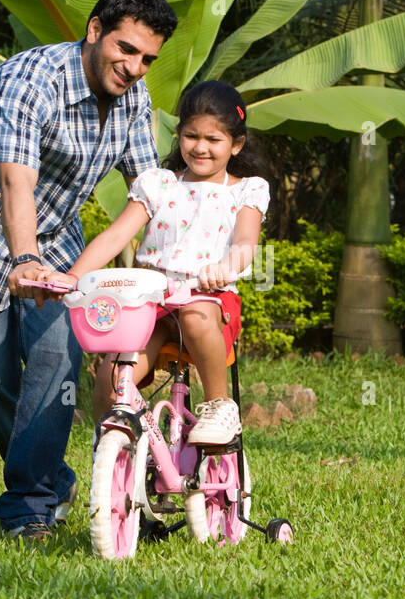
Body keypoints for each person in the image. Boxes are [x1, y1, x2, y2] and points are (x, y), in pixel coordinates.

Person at [0, 0, 178, 541]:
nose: (135, 67)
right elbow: (17, 184)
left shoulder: (134, 98)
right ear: (94, 31)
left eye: (146, 58)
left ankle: (29, 506)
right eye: (126, 49)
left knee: (55, 360)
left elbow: (149, 190)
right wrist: (23, 259)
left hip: (58, 238)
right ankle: (55, 476)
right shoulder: (27, 82)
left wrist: (179, 262)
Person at [54, 80, 270, 445]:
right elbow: (116, 236)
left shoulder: (246, 189)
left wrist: (226, 267)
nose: (200, 147)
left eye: (213, 140)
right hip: (150, 304)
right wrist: (74, 276)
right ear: (178, 135)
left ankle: (219, 405)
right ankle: (114, 447)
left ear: (236, 144)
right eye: (190, 136)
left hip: (208, 299)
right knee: (112, 377)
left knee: (195, 314)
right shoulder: (158, 184)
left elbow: (246, 242)